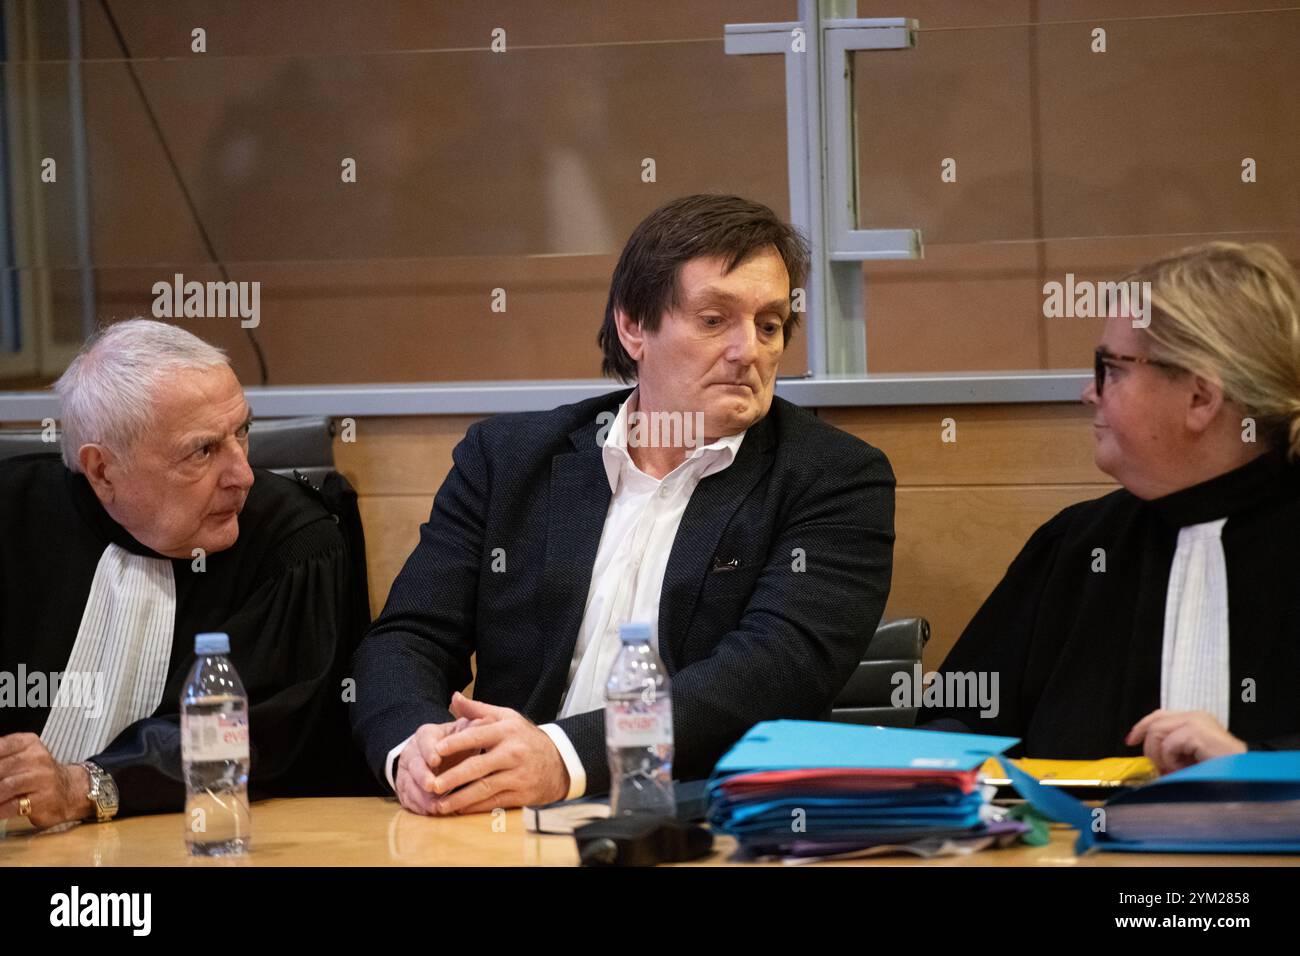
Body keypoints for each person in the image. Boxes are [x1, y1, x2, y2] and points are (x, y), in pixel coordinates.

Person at [351, 194, 896, 814]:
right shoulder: (506, 459)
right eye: (715, 319)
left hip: (695, 823)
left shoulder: (834, 478)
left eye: (769, 325)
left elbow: (774, 672)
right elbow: (408, 637)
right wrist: (417, 751)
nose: (749, 350)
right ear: (634, 326)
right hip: (495, 821)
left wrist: (563, 758)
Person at [926, 241, 1300, 773]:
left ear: (1200, 397)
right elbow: (956, 726)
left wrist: (1251, 765)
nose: (1089, 392)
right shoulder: (1076, 546)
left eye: (1112, 370)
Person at [0, 319, 371, 828]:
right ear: (102, 471)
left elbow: (257, 737)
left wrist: (85, 787)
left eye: (241, 431)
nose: (242, 475)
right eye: (202, 451)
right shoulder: (12, 518)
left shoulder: (293, 542)